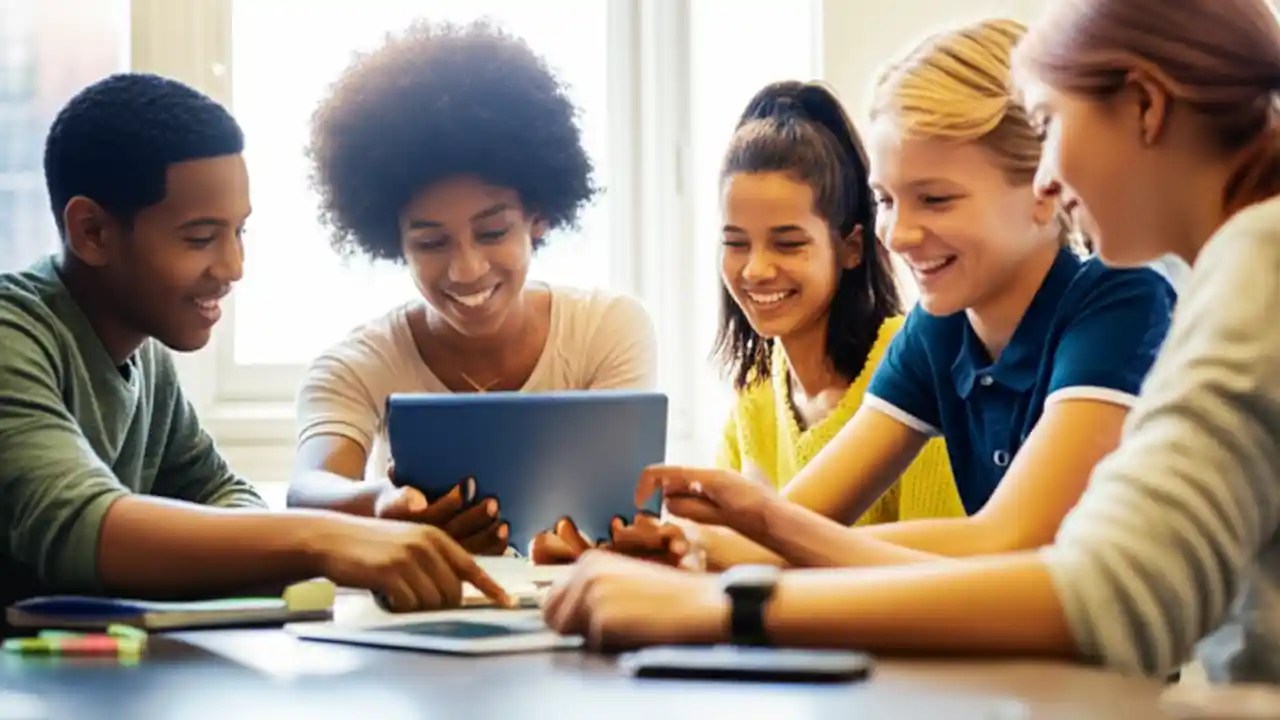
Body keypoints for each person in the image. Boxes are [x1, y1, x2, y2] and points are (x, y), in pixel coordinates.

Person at [544, 0, 1280, 685]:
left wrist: (731, 603)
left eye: (1050, 125)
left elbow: (1104, 589)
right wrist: (693, 549)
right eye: (892, 200)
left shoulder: (1250, 265)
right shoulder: (1239, 262)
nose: (1051, 179)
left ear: (1147, 108)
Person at [561, 18, 1175, 571]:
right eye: (885, 200)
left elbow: (1013, 539)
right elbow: (797, 527)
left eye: (935, 199)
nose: (899, 234)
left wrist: (765, 521)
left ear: (1045, 186)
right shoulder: (939, 330)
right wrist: (642, 549)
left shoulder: (1121, 303)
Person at [0, 73, 510, 617]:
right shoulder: (15, 338)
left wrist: (357, 529)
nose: (233, 267)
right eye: (200, 238)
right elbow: (80, 525)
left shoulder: (145, 357)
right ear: (93, 232)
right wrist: (328, 539)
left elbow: (226, 498)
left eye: (239, 232)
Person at [529, 81, 963, 565]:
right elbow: (719, 550)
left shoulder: (912, 369)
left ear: (850, 248)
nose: (755, 269)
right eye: (736, 243)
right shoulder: (757, 393)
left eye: (788, 243)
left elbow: (936, 571)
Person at [285, 20, 658, 554]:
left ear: (538, 216)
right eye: (433, 243)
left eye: (491, 232)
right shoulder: (355, 364)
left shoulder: (607, 328)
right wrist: (383, 506)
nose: (466, 269)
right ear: (393, 242)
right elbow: (309, 487)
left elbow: (621, 510)